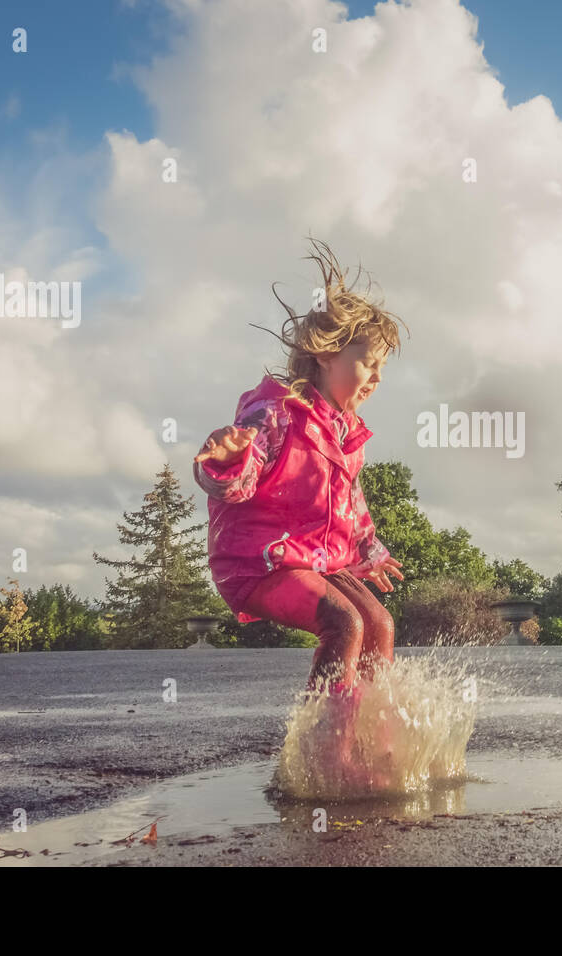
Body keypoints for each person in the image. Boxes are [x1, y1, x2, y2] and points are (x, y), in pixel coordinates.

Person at [193, 238, 408, 788]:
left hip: (312, 559)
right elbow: (236, 485)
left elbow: (351, 506)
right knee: (344, 623)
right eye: (368, 361)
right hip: (256, 560)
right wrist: (227, 462)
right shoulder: (276, 413)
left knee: (380, 623)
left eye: (383, 366)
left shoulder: (347, 433)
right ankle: (322, 757)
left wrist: (369, 550)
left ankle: (369, 742)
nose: (376, 376)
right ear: (325, 353)